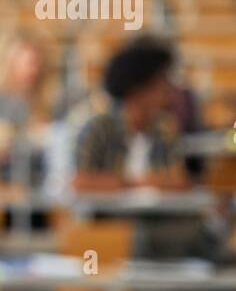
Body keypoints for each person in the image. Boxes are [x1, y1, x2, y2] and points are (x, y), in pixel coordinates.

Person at [72, 38, 189, 193]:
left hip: (157, 217)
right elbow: (81, 181)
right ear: (139, 88)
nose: (168, 88)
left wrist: (120, 182)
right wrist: (141, 182)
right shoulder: (99, 128)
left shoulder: (165, 127)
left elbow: (180, 181)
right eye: (161, 80)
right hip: (108, 216)